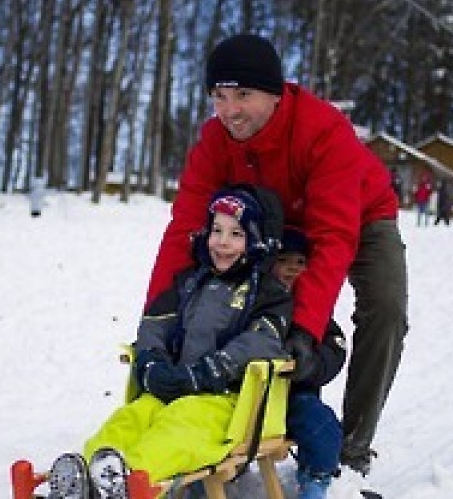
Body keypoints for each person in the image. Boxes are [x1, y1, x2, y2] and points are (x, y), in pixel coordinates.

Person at [144, 33, 407, 477]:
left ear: (276, 93)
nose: (230, 110)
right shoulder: (214, 141)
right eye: (219, 97)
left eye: (243, 95)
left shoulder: (323, 131)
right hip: (274, 224)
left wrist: (304, 330)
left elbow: (333, 237)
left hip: (360, 216)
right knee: (249, 310)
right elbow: (185, 230)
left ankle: (351, 448)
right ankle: (242, 426)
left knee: (385, 309)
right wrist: (156, 317)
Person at [41, 187, 291, 498]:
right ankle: (88, 473)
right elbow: (156, 323)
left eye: (236, 234)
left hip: (226, 401)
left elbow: (262, 341)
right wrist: (152, 361)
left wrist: (210, 370)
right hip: (173, 386)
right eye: (216, 230)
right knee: (133, 416)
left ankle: (126, 478)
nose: (222, 242)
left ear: (256, 241)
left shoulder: (267, 294)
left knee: (179, 426)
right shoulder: (190, 282)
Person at [274, 227, 347, 499]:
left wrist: (313, 366)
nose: (291, 269)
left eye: (300, 263)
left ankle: (316, 476)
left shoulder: (313, 312)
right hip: (248, 401)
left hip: (294, 397)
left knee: (321, 427)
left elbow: (335, 347)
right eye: (283, 261)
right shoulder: (252, 302)